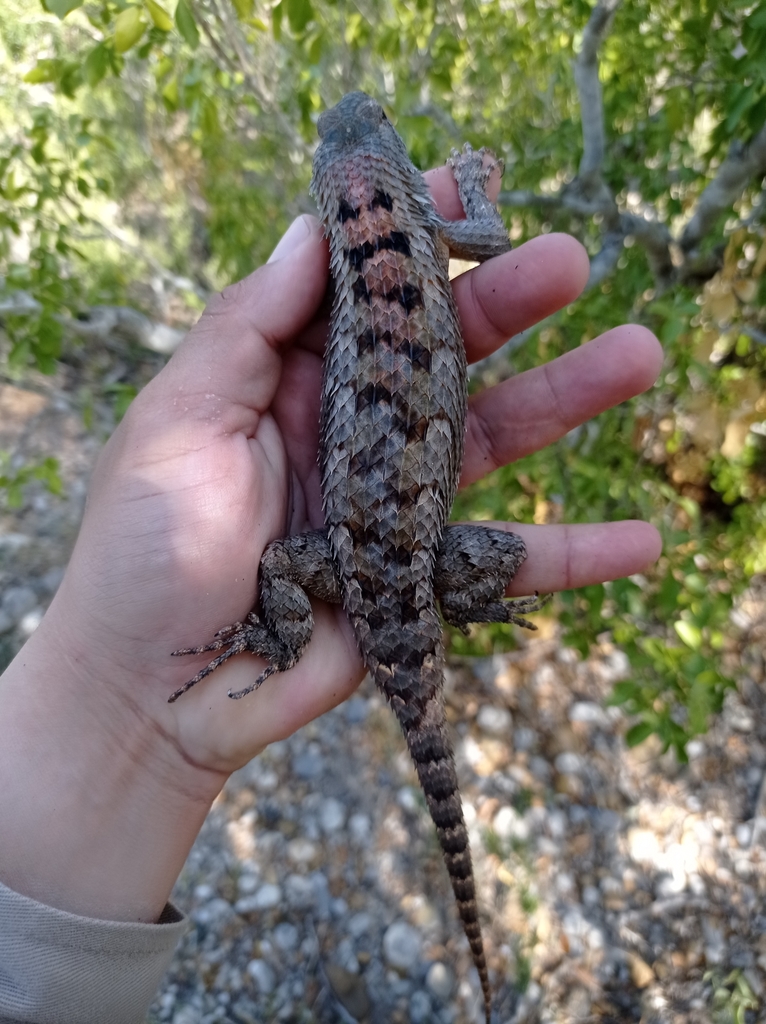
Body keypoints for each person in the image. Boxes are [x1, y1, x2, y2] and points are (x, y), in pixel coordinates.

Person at [0, 161, 663, 1024]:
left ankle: (298, 636)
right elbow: (486, 238)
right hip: (388, 563)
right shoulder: (425, 236)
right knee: (395, 577)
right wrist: (476, 187)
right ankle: (448, 601)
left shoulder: (371, 256)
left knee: (284, 569)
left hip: (354, 558)